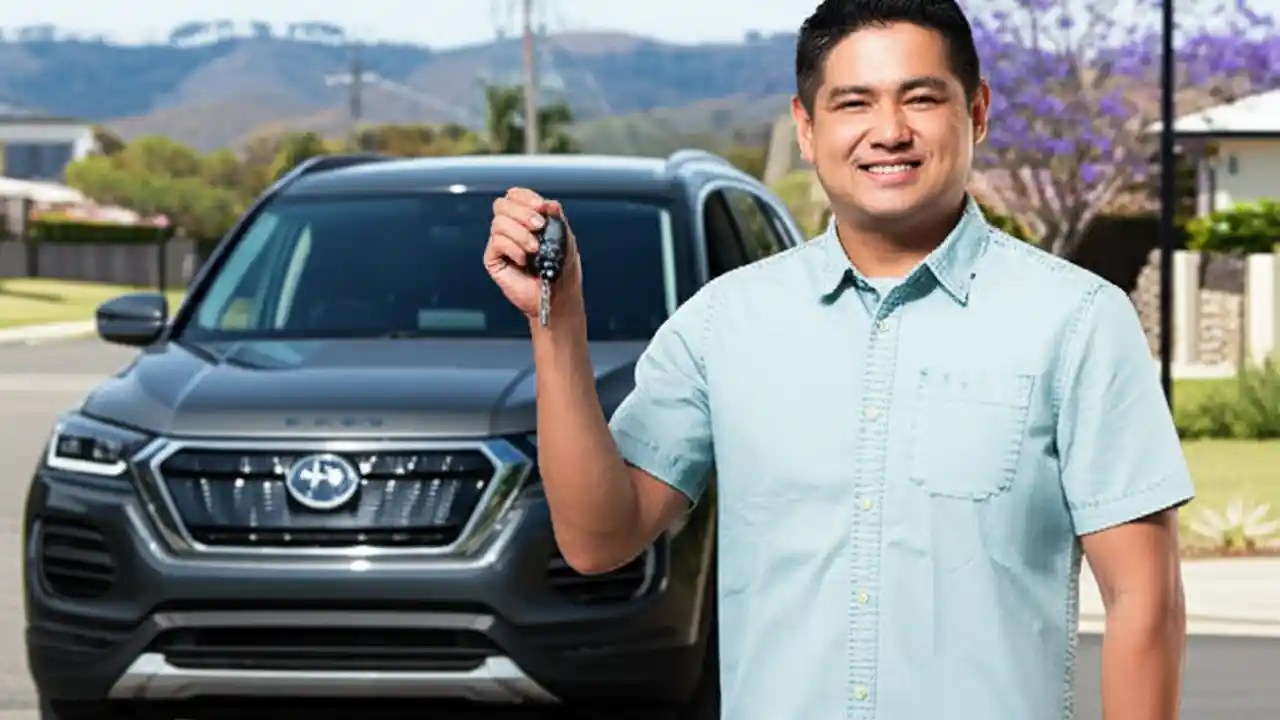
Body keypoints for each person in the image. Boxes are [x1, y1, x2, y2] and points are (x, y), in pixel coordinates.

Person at [484, 0, 1194, 717]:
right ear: (806, 126)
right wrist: (557, 321)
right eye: (854, 103)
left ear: (976, 111)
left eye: (921, 98)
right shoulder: (723, 324)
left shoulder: (1075, 321)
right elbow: (597, 539)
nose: (889, 132)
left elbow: (1145, 599)